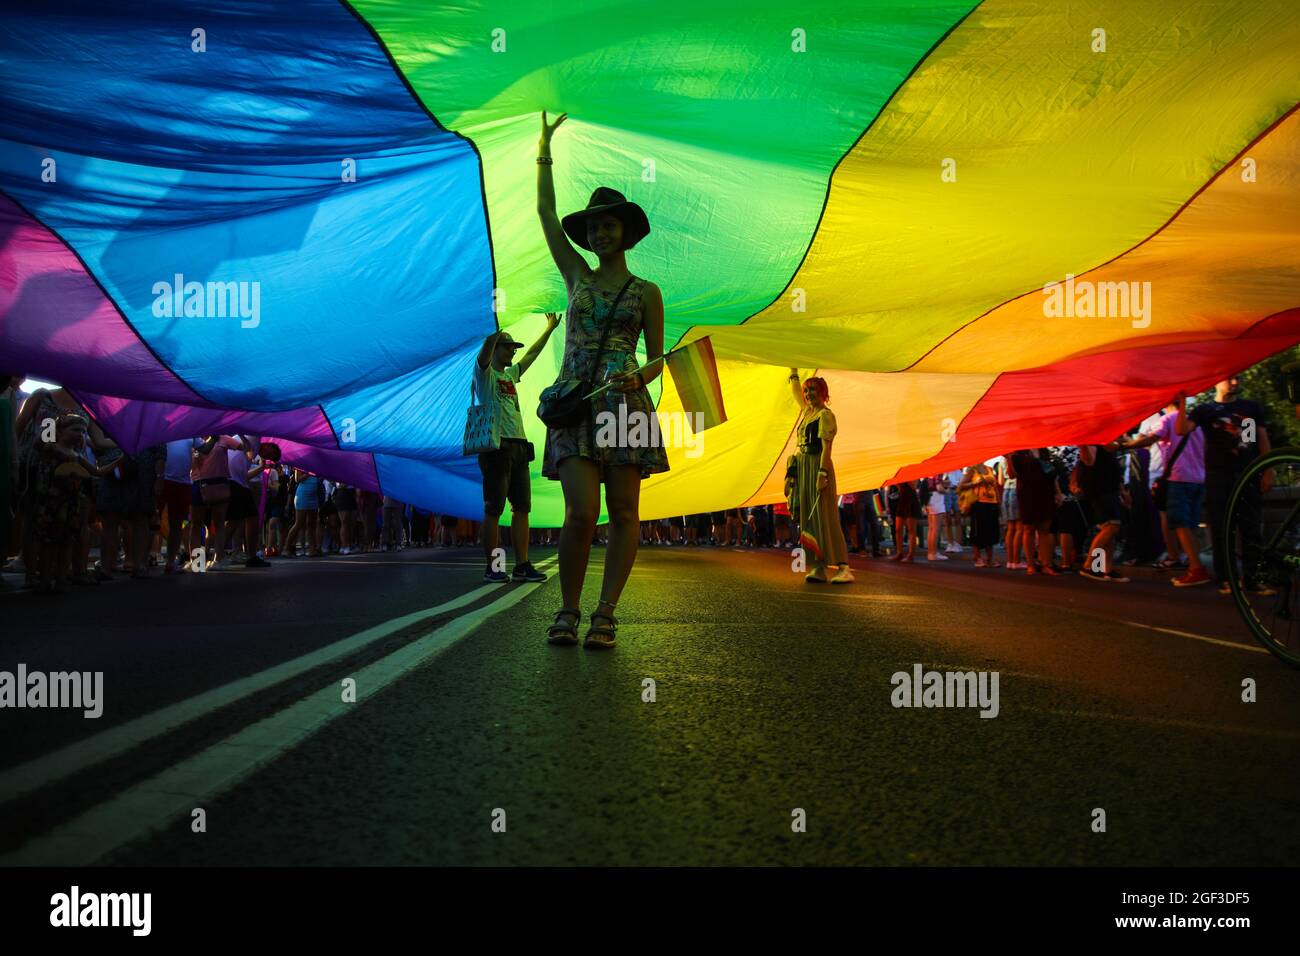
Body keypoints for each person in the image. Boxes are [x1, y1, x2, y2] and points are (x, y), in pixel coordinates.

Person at [536, 110, 669, 648]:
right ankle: (568, 609)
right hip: (576, 403)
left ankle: (606, 612)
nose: (601, 231)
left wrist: (638, 376)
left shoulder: (647, 291)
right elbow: (545, 213)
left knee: (626, 512)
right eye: (594, 226)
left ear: (627, 233)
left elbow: (658, 360)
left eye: (610, 224)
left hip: (626, 408)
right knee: (581, 511)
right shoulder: (576, 276)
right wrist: (544, 150)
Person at [474, 316, 557, 583]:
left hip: (519, 447)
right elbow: (485, 348)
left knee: (522, 508)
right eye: (508, 346)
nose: (513, 351)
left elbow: (531, 355)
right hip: (496, 448)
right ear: (495, 347)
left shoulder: (510, 375)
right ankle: (494, 568)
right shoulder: (484, 374)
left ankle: (522, 565)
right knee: (494, 510)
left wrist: (549, 329)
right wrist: (493, 329)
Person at [1180, 377, 1273, 595]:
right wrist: (1183, 402)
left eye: (1236, 378)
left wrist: (1268, 469)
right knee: (1222, 529)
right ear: (1215, 381)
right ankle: (1226, 578)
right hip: (1218, 477)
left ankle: (1253, 579)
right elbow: (1182, 430)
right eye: (1228, 378)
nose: (1233, 382)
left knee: (1251, 528)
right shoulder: (1205, 410)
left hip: (1247, 474)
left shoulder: (1250, 408)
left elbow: (1257, 440)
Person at [1123, 397, 1209, 586]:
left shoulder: (1168, 420)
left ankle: (1194, 568)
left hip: (1177, 478)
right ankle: (1191, 560)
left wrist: (1124, 445)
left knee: (1178, 522)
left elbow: (1150, 439)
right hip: (1199, 479)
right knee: (1191, 524)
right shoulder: (1196, 423)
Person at [787, 370, 853, 583]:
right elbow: (796, 393)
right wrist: (793, 374)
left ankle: (844, 567)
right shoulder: (807, 412)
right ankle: (819, 566)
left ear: (823, 392)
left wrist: (822, 473)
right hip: (804, 465)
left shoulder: (825, 415)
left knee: (826, 516)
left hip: (817, 465)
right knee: (809, 517)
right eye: (806, 390)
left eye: (812, 389)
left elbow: (827, 448)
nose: (807, 394)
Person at [1077, 437, 1130, 582]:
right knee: (1112, 526)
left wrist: (1121, 491)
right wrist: (1083, 444)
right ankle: (1090, 565)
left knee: (1108, 530)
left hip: (1108, 490)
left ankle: (1104, 568)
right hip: (1100, 491)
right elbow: (1089, 460)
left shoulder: (1106, 441)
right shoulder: (1093, 439)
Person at [961, 462, 1001, 567]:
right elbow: (962, 485)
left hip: (991, 503)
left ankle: (989, 559)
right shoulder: (972, 470)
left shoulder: (990, 469)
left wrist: (999, 503)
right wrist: (976, 483)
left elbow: (995, 487)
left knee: (991, 531)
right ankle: (977, 558)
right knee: (978, 530)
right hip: (978, 503)